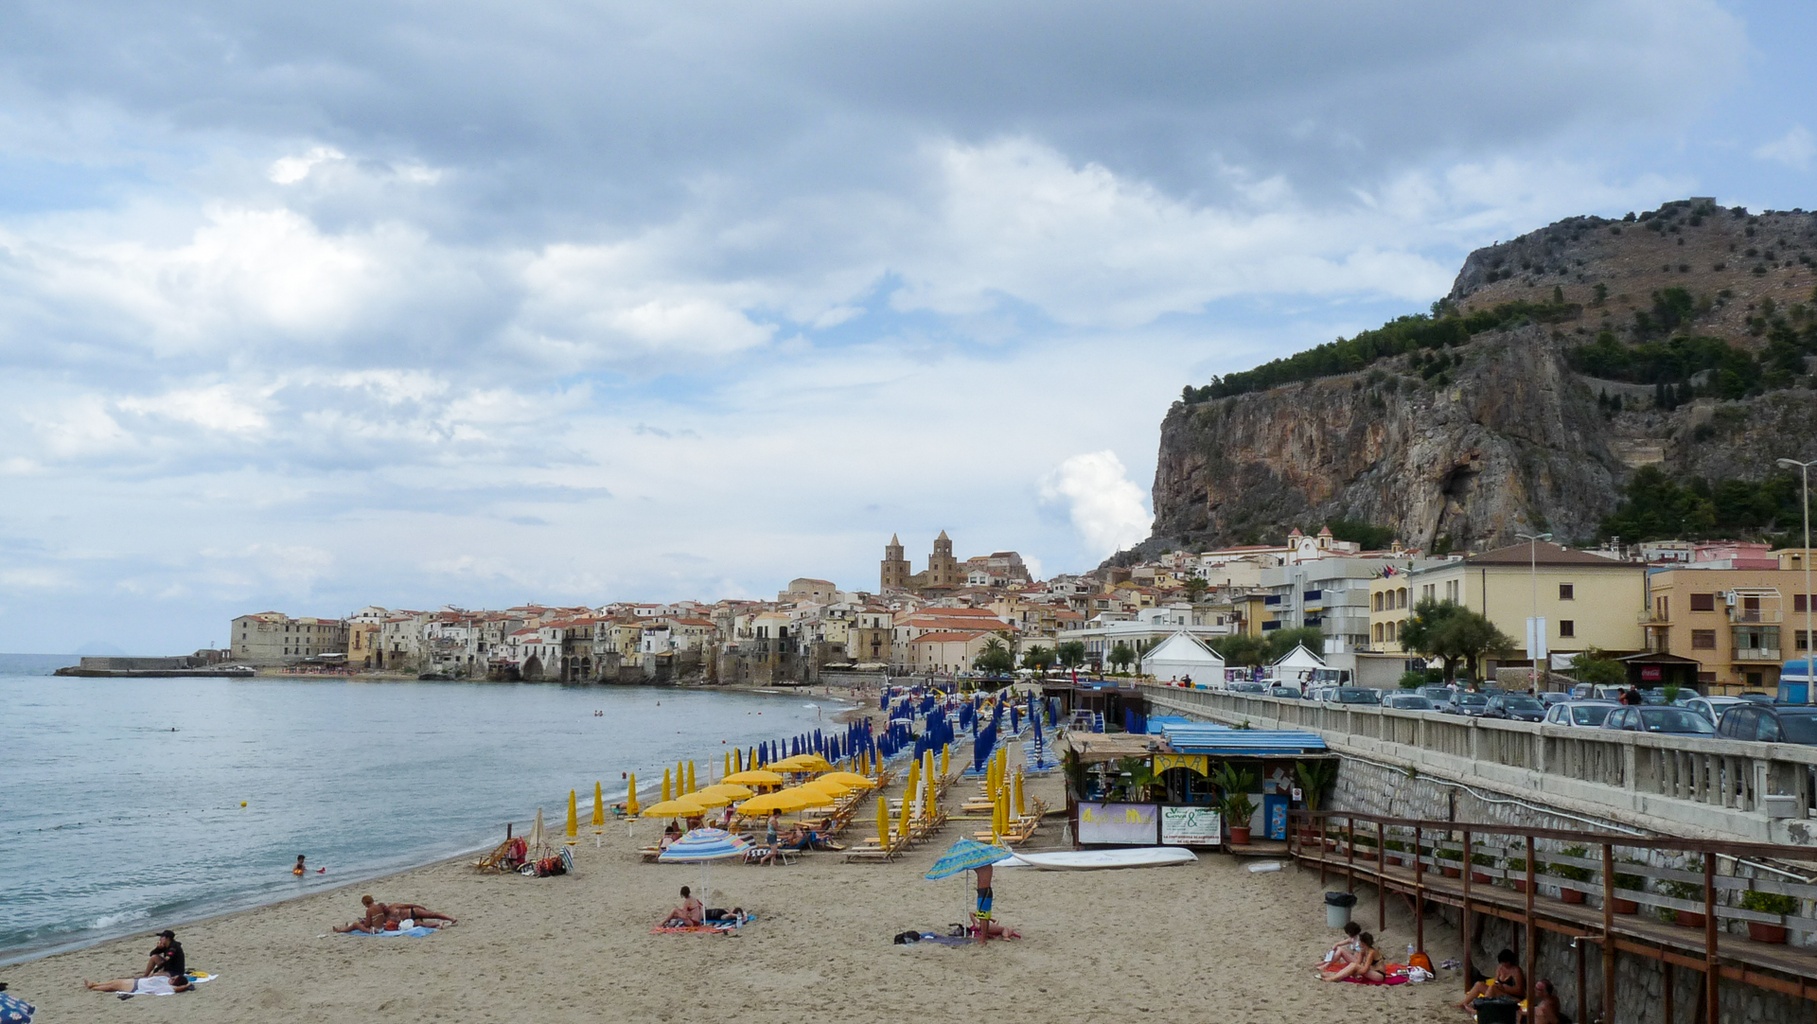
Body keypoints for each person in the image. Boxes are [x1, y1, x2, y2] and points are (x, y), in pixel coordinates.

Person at [1458, 949, 1527, 1010]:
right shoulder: (1500, 968)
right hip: (1500, 993)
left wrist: (1505, 988)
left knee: (1492, 988)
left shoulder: (1516, 971)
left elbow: (1520, 991)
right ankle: (1462, 1004)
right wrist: (1498, 985)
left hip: (1513, 998)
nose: (1503, 965)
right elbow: (1495, 982)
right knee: (1479, 984)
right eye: (1502, 963)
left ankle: (1481, 1009)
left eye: (1505, 963)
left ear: (1509, 961)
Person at [86, 975, 193, 995]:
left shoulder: (169, 987)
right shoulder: (165, 979)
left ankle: (94, 988)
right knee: (115, 981)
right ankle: (94, 984)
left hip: (136, 987)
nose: (171, 978)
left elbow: (179, 989)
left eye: (173, 979)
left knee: (113, 987)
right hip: (136, 981)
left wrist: (187, 984)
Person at [973, 863, 995, 945]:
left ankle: (983, 938)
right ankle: (984, 936)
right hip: (985, 891)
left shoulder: (984, 865)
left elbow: (977, 869)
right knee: (985, 916)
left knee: (983, 916)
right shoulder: (987, 866)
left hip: (984, 891)